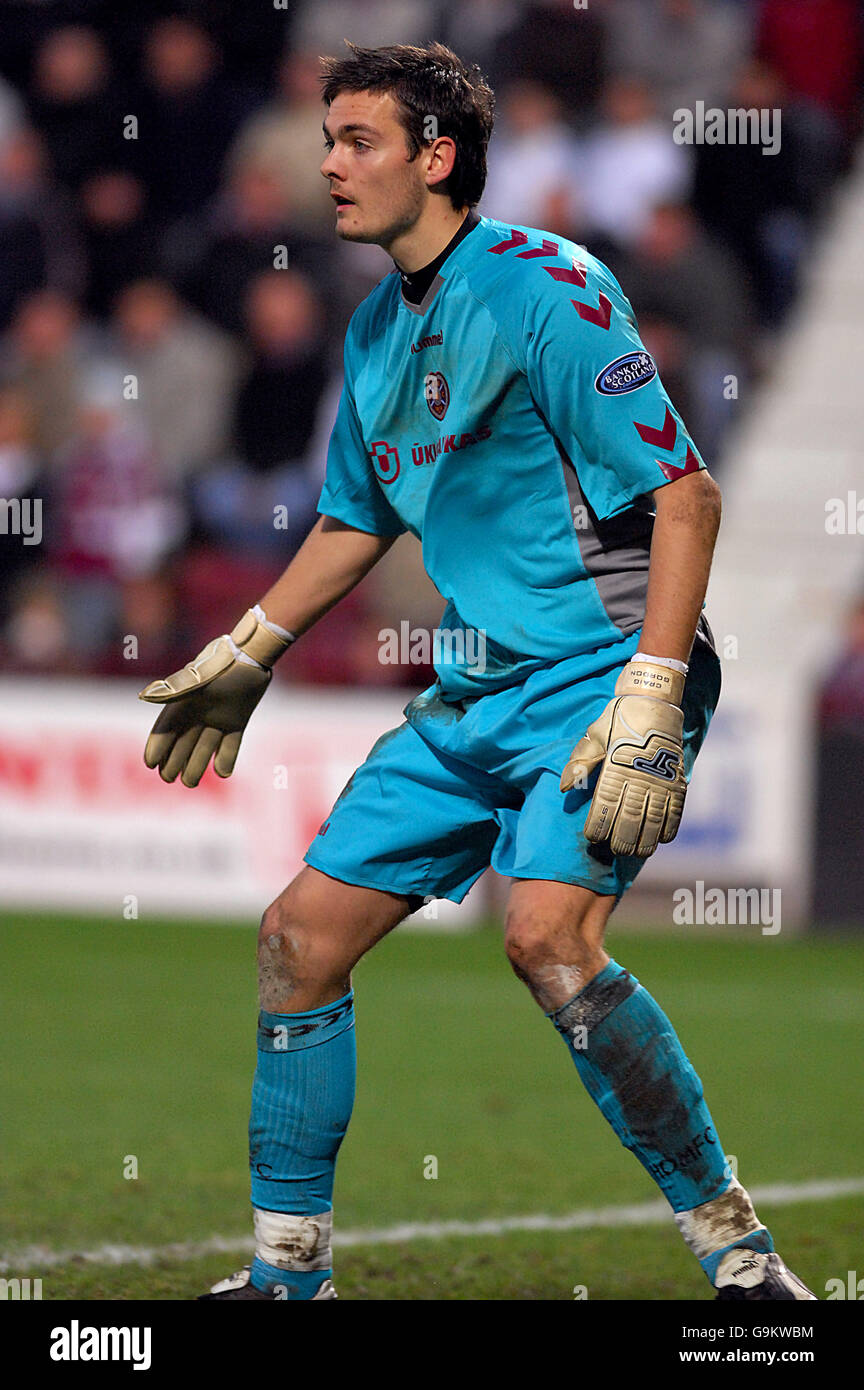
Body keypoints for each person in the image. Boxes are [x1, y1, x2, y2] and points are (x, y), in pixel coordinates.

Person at [139, 41, 814, 1303]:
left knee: (549, 941)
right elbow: (354, 518)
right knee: (297, 940)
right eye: (326, 139)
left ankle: (738, 1253)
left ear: (436, 158)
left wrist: (655, 695)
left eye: (357, 142)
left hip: (603, 670)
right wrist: (246, 651)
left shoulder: (544, 286)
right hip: (474, 691)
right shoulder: (375, 330)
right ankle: (289, 1278)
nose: (328, 166)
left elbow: (685, 495)